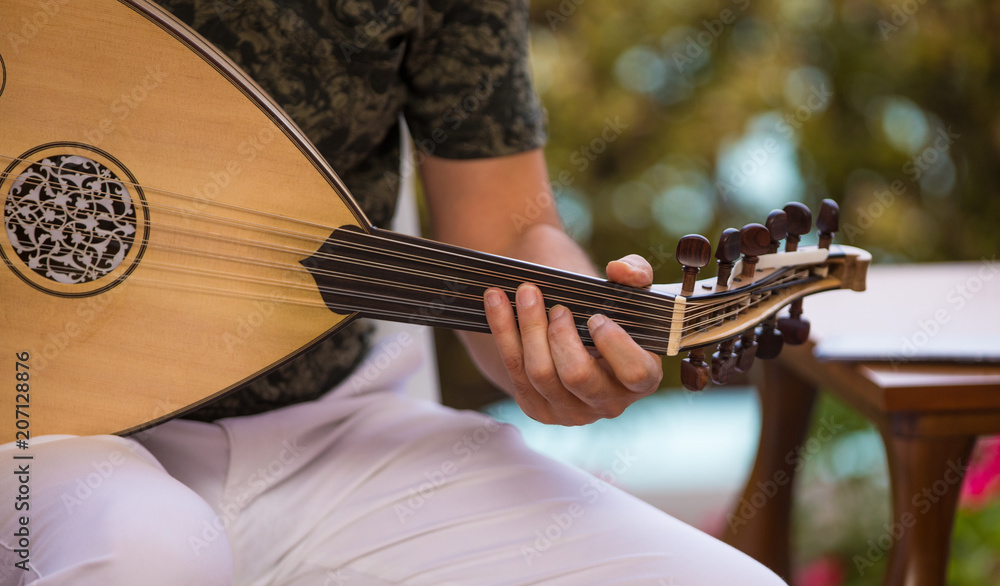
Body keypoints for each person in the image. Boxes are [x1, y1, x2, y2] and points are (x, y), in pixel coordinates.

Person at [0, 0, 786, 584]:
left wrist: (566, 329)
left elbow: (507, 228)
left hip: (325, 435)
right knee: (149, 554)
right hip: (36, 435)